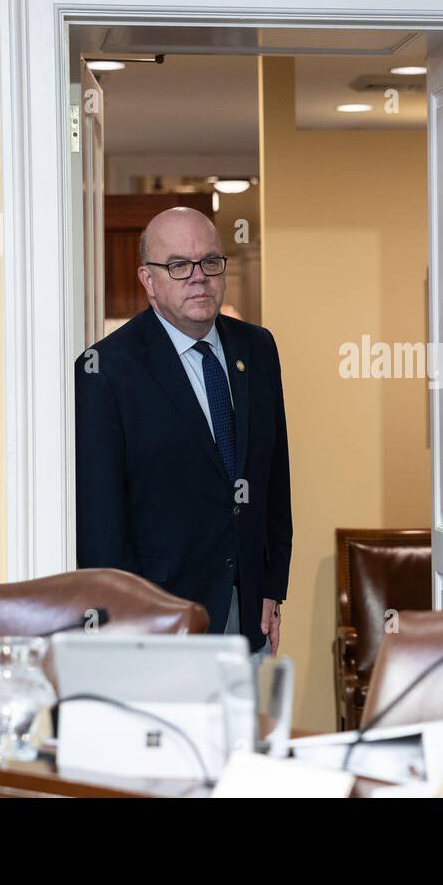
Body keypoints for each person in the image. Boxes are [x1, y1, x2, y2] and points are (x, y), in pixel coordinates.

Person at [74, 207, 291, 656]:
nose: (198, 277)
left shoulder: (259, 348)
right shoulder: (106, 370)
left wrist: (273, 584)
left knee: (245, 728)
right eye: (178, 265)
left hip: (248, 608)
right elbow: (101, 525)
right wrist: (126, 622)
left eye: (210, 262)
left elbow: (275, 479)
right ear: (148, 280)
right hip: (157, 620)